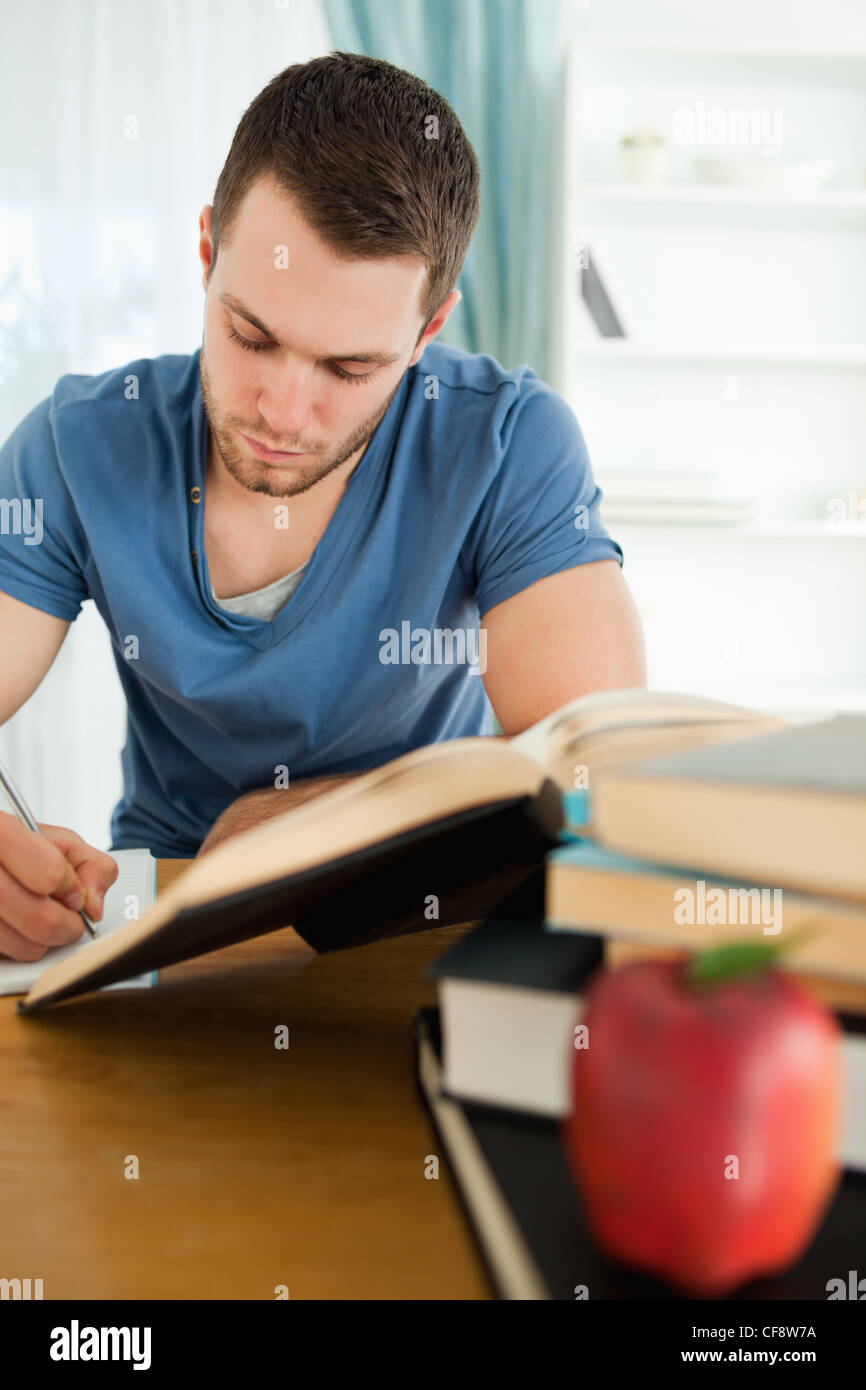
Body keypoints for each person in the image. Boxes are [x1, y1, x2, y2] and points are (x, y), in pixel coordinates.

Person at [0, 52, 645, 962]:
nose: (282, 413)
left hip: (416, 906)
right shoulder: (78, 445)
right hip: (160, 928)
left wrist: (313, 816)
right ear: (206, 253)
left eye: (350, 369)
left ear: (428, 331)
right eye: (250, 336)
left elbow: (590, 769)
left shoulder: (506, 445)